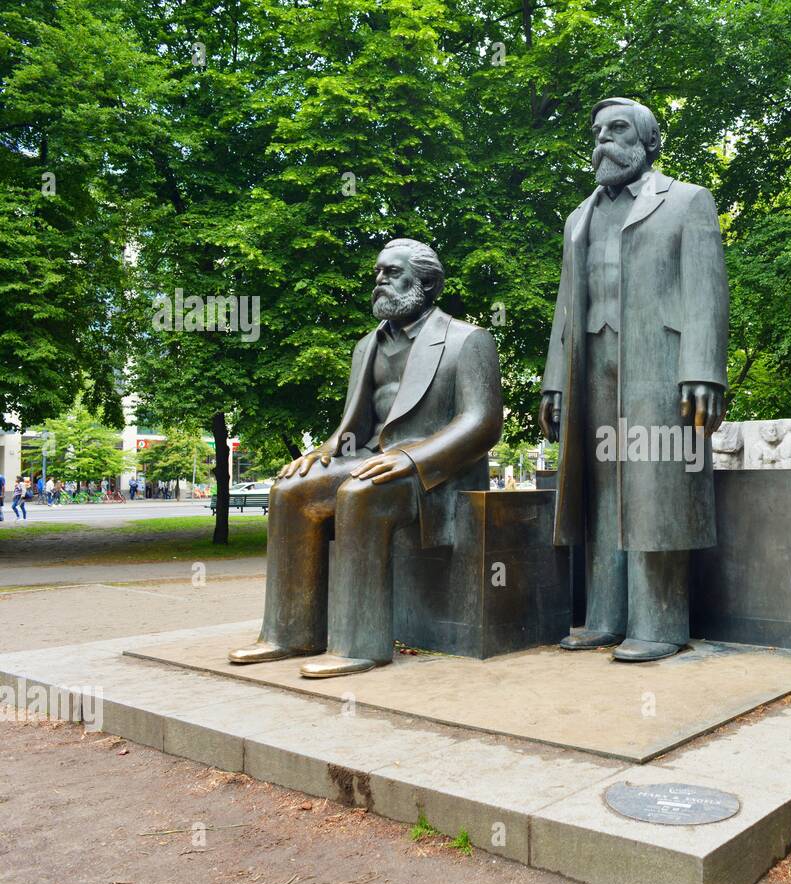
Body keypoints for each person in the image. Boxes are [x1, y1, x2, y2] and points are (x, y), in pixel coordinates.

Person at [227, 238, 502, 679]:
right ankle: (289, 633)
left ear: (427, 282)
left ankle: (361, 645)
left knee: (359, 493)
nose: (379, 281)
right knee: (290, 490)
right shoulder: (366, 346)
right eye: (378, 272)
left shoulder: (468, 340)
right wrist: (323, 452)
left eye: (392, 273)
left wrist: (413, 459)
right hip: (373, 459)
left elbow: (483, 423)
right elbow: (352, 427)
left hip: (438, 474)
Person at [539, 97, 729, 662]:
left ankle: (660, 623)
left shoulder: (689, 202)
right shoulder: (579, 218)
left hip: (661, 365)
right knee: (600, 491)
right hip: (591, 364)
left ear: (649, 144)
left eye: (617, 130)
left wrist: (702, 370)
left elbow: (706, 290)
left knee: (654, 490)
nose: (603, 140)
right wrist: (554, 381)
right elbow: (566, 308)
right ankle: (605, 616)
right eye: (597, 132)